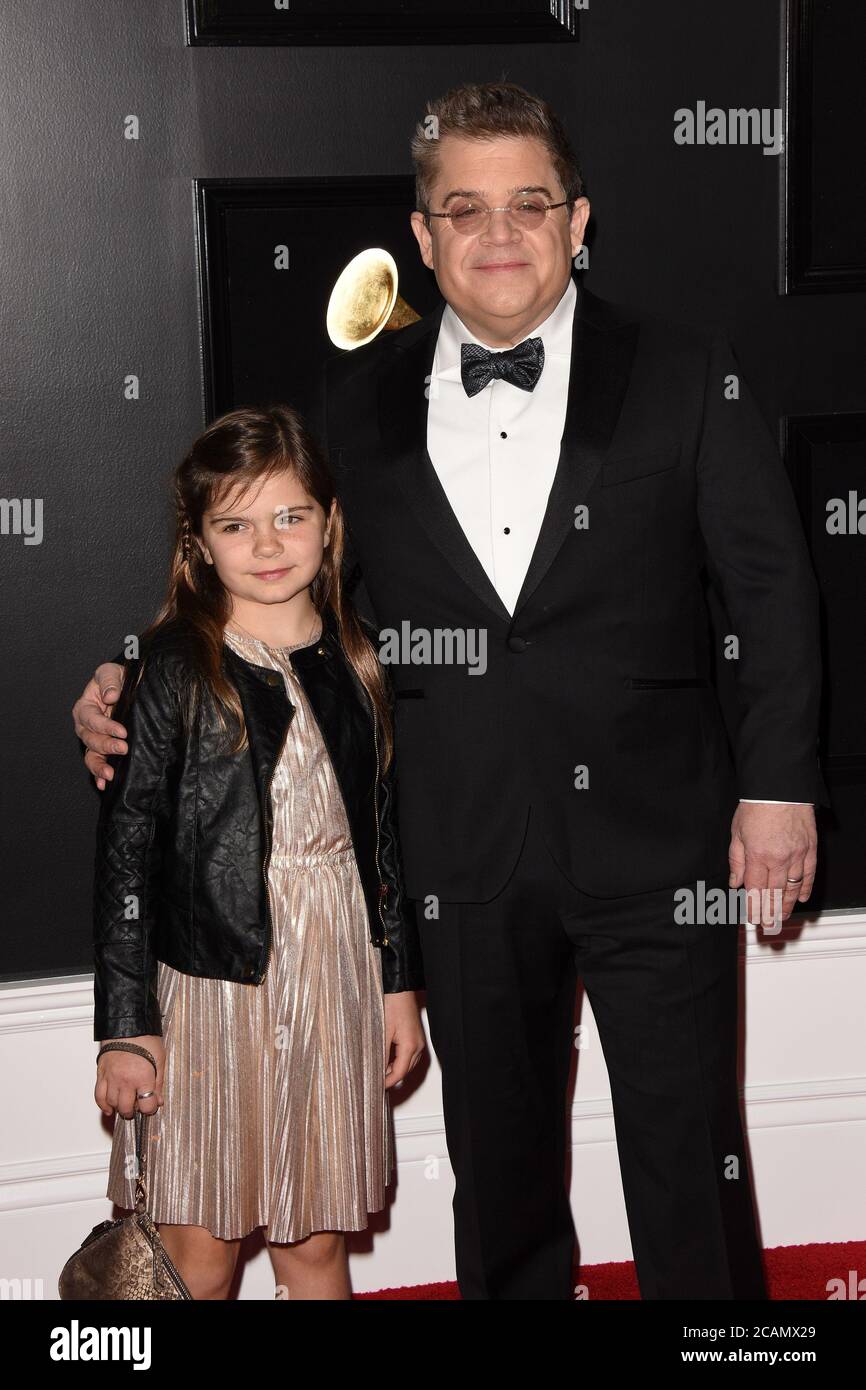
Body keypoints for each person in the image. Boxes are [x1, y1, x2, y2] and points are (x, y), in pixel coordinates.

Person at [75, 82, 827, 1300]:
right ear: (421, 238)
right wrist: (137, 672)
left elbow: (771, 590)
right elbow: (281, 594)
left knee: (693, 1154)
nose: (497, 233)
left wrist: (779, 786)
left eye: (528, 203)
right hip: (453, 844)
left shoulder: (687, 372)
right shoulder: (349, 408)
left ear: (576, 221)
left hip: (661, 840)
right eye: (461, 208)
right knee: (502, 1169)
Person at [89, 403, 425, 1301]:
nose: (268, 544)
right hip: (211, 981)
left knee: (314, 1243)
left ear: (327, 521)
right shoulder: (172, 664)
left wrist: (398, 981)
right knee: (200, 1247)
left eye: (291, 516)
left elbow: (383, 837)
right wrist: (126, 1024)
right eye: (235, 524)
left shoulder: (357, 658)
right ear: (199, 543)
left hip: (335, 968)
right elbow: (127, 851)